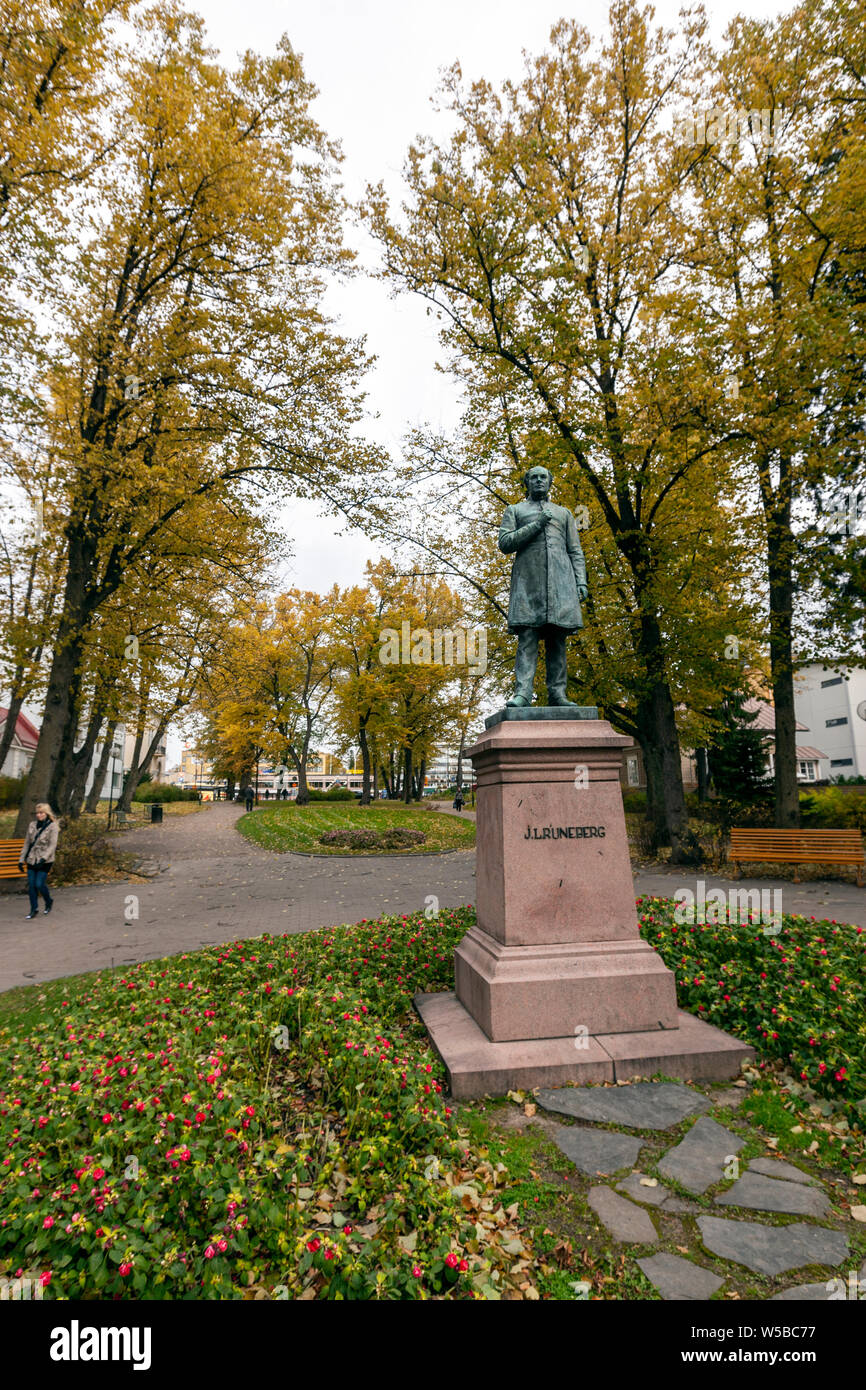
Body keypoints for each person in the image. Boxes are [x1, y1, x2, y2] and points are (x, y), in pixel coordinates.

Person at [498, 465, 588, 707]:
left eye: (543, 477)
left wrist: (581, 580)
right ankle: (522, 694)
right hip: (528, 584)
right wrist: (536, 524)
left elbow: (575, 550)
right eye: (533, 477)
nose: (538, 481)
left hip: (561, 584)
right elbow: (505, 543)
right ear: (526, 483)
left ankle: (558, 694)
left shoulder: (565, 514)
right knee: (527, 638)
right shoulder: (515, 510)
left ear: (550, 482)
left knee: (557, 640)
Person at [19, 802, 59, 920]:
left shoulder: (53, 826)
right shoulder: (32, 825)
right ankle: (34, 909)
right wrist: (21, 860)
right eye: (37, 813)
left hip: (45, 860)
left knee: (39, 884)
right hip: (32, 859)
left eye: (41, 813)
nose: (38, 815)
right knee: (32, 886)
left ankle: (48, 901)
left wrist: (43, 858)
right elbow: (27, 843)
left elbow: (52, 845)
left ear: (46, 813)